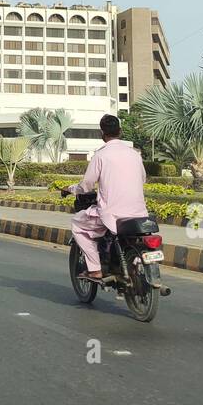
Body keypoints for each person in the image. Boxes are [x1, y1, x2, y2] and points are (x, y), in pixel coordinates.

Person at [59, 114, 148, 282]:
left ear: (102, 134)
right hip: (139, 213)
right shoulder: (135, 154)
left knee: (77, 224)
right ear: (120, 131)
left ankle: (94, 269)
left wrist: (70, 189)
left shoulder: (100, 156)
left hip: (112, 214)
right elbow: (142, 179)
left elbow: (86, 186)